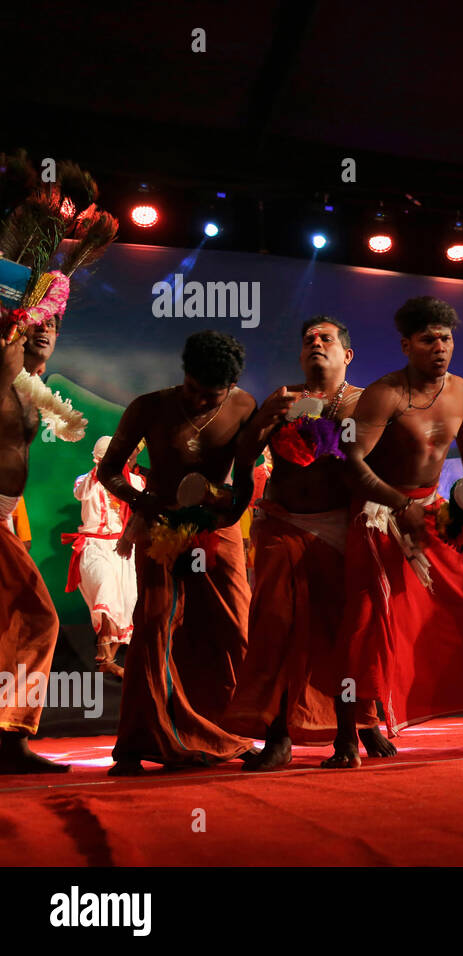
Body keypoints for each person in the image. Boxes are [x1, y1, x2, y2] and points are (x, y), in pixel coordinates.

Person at [318, 298, 463, 768]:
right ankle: (347, 737)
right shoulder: (384, 393)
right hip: (377, 514)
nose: (440, 347)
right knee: (367, 621)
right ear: (407, 345)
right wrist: (399, 503)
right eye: (428, 339)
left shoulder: (461, 391)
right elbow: (350, 462)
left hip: (429, 512)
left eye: (446, 338)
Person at [223, 317, 393, 771]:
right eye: (308, 341)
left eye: (326, 339)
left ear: (346, 354)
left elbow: (386, 466)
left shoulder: (366, 403)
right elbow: (242, 457)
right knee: (275, 625)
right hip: (283, 523)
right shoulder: (283, 400)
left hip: (343, 527)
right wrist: (264, 419)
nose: (316, 344)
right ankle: (278, 737)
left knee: (344, 634)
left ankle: (351, 732)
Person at [98, 330, 257, 774]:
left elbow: (243, 483)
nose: (201, 402)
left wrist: (224, 508)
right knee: (153, 628)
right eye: (193, 390)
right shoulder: (149, 406)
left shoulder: (244, 408)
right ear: (183, 375)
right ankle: (134, 745)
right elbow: (109, 471)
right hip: (160, 527)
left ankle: (234, 733)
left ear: (231, 387)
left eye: (212, 396)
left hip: (218, 531)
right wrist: (142, 503)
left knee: (233, 628)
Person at [0, 309, 67, 773]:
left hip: (4, 515)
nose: (44, 331)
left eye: (53, 325)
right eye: (35, 322)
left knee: (11, 626)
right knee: (35, 619)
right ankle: (11, 737)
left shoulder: (27, 383)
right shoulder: (4, 370)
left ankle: (8, 740)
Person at [64, 436, 145, 678]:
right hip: (94, 546)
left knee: (128, 601)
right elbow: (81, 493)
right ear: (99, 457)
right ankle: (106, 660)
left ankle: (106, 659)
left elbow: (143, 503)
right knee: (106, 590)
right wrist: (101, 470)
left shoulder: (135, 482)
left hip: (123, 548)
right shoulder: (86, 480)